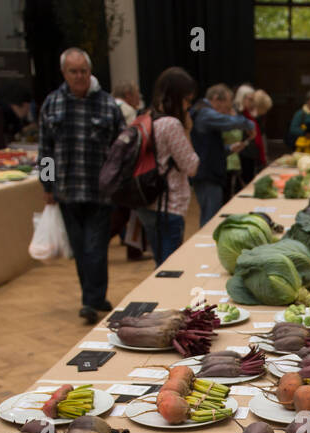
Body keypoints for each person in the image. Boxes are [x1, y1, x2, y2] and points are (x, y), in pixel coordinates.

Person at [38, 48, 125, 322]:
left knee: (95, 247)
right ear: (64, 73)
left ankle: (91, 300)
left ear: (90, 71)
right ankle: (94, 296)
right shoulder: (52, 104)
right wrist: (47, 185)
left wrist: (118, 182)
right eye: (73, 72)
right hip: (66, 191)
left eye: (83, 71)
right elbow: (45, 149)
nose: (79, 76)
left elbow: (121, 147)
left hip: (100, 192)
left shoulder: (108, 104)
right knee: (80, 249)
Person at [136, 67, 200, 265]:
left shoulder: (145, 117)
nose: (189, 106)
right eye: (187, 100)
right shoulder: (171, 124)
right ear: (177, 97)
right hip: (168, 206)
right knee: (170, 269)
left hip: (146, 201)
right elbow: (191, 166)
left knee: (160, 265)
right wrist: (188, 130)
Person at [188, 84, 254, 227]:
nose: (229, 107)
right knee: (210, 221)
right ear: (217, 98)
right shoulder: (204, 113)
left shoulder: (202, 111)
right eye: (228, 101)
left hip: (208, 173)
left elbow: (208, 147)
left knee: (211, 216)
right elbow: (228, 121)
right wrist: (249, 124)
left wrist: (229, 148)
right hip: (207, 175)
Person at [239, 89, 272, 185]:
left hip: (252, 153)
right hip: (246, 153)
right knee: (246, 181)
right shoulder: (243, 116)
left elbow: (260, 138)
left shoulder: (255, 118)